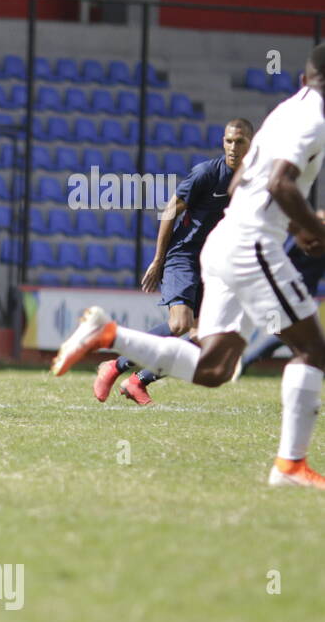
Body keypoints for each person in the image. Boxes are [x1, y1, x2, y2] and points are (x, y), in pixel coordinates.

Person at [51, 45, 325, 489]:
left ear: (302, 80)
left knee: (215, 367)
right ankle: (289, 466)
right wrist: (310, 226)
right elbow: (279, 183)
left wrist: (294, 225)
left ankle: (111, 338)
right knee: (312, 349)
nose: (233, 146)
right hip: (250, 246)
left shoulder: (283, 112)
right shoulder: (313, 120)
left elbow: (244, 184)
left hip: (225, 245)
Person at [94, 118, 254, 405]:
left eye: (239, 141)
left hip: (216, 264)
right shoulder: (206, 173)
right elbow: (170, 209)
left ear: (250, 144)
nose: (233, 147)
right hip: (185, 256)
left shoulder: (254, 181)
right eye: (229, 140)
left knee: (205, 338)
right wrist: (159, 259)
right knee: (179, 324)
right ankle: (114, 366)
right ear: (223, 141)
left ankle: (138, 381)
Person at [238, 209, 325, 373]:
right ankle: (245, 360)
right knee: (275, 334)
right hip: (278, 295)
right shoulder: (297, 239)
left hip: (301, 297)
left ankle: (246, 360)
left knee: (291, 337)